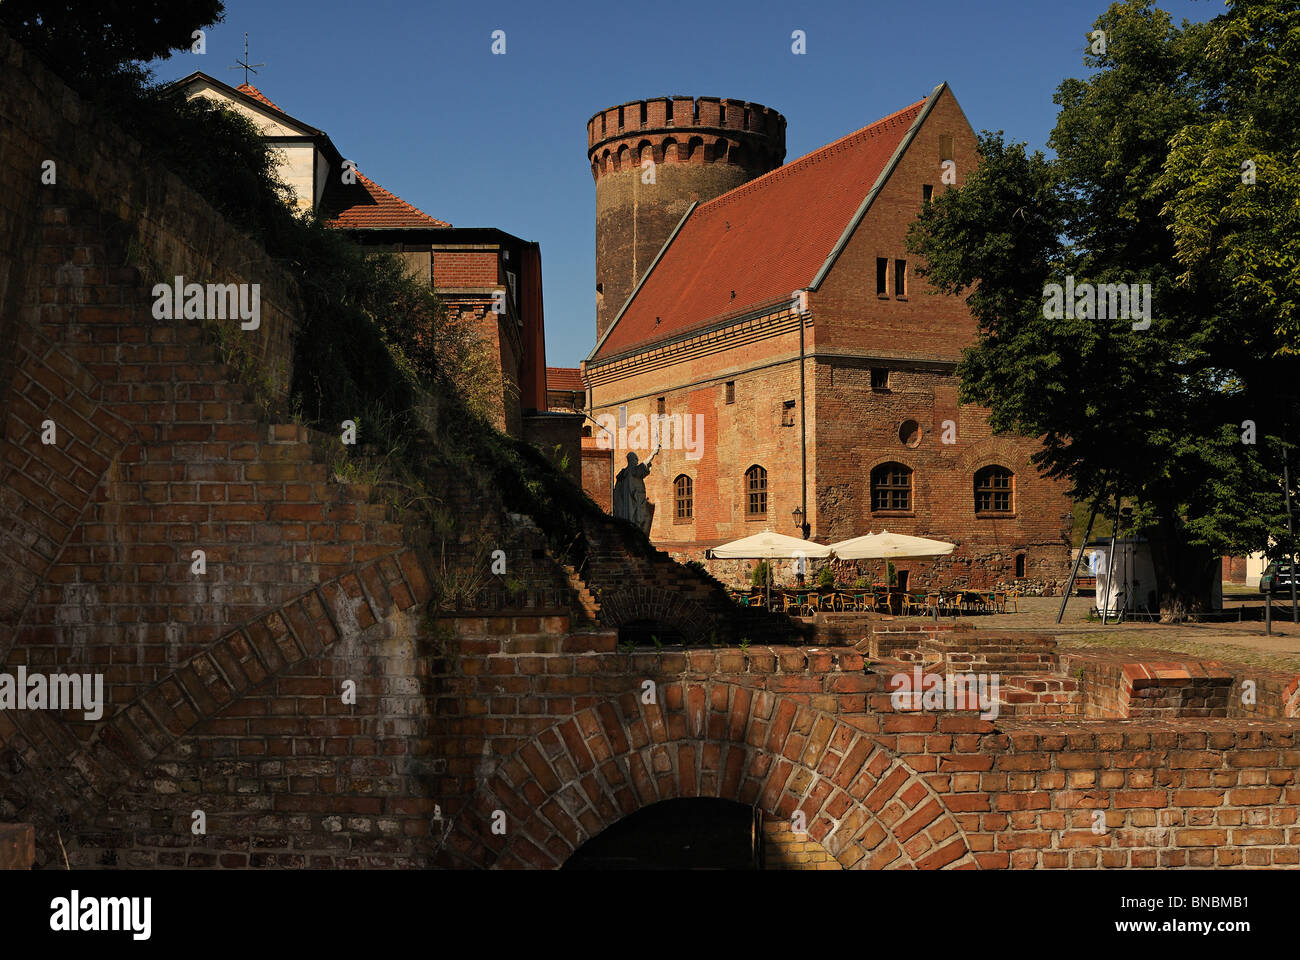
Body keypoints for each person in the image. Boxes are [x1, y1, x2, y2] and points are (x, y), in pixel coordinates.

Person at [612, 449, 657, 534]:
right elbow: (645, 464)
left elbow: (616, 493)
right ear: (633, 460)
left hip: (623, 509)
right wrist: (653, 453)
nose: (637, 462)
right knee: (636, 521)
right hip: (634, 504)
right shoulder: (633, 471)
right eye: (636, 459)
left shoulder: (622, 474)